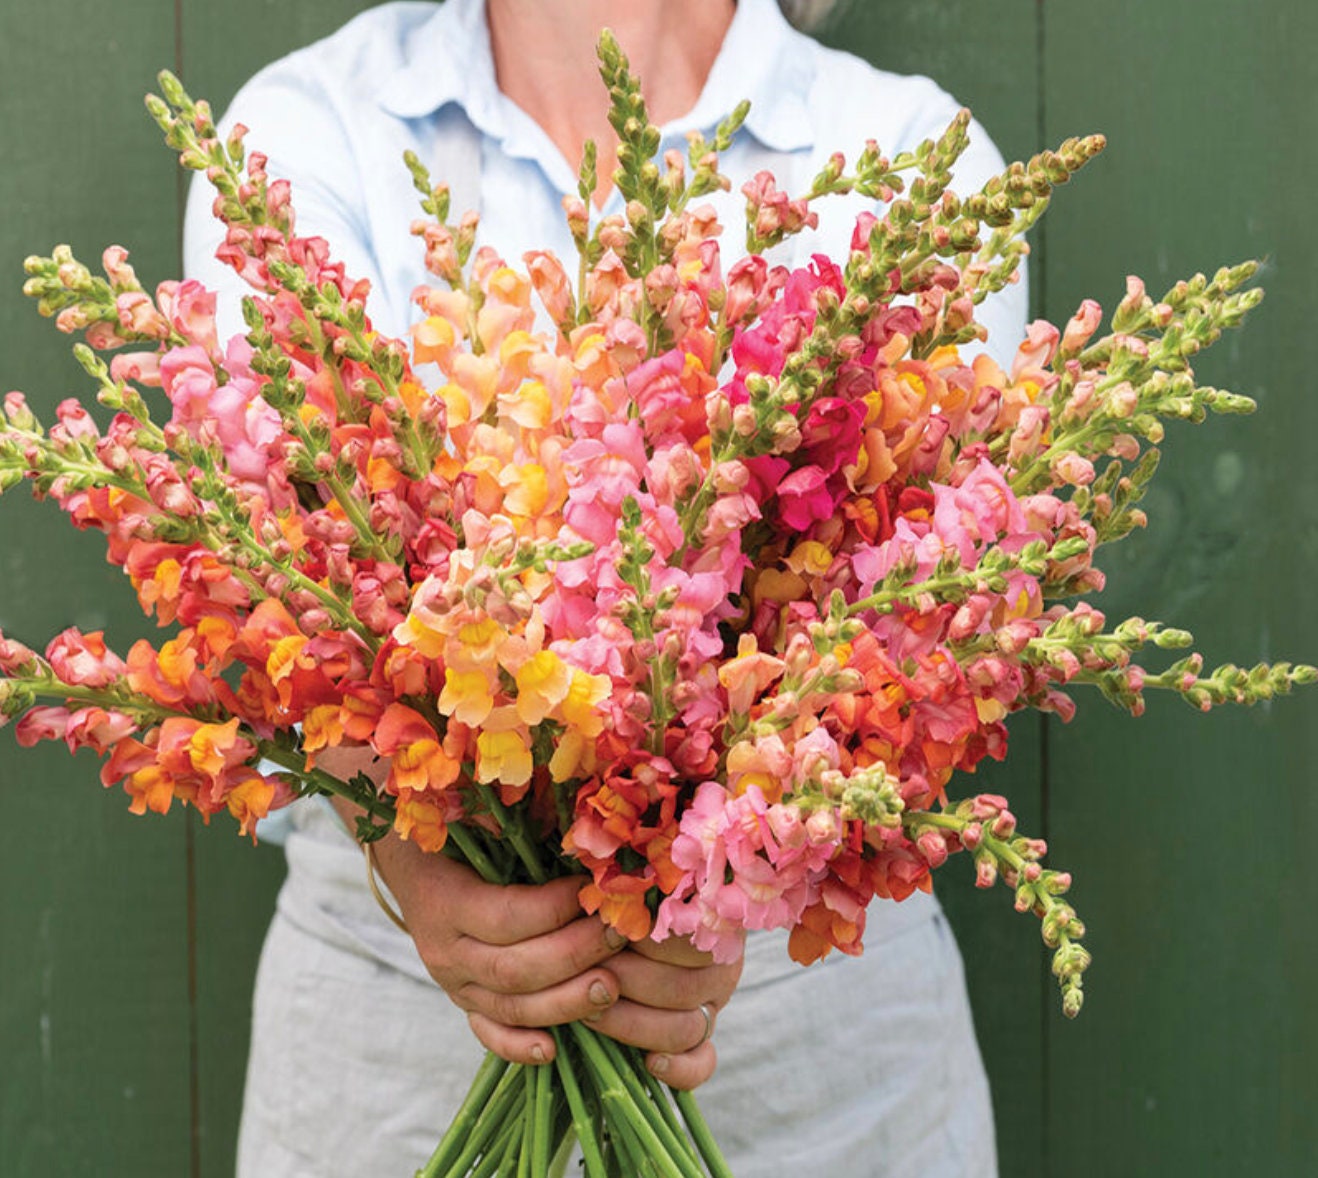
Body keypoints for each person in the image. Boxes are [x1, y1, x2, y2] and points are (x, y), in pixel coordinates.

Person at [183, 1, 1026, 1174]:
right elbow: (277, 572)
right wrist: (418, 864)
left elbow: (931, 613)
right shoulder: (309, 127)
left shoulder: (901, 148)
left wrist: (737, 874)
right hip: (390, 1042)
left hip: (810, 1053)